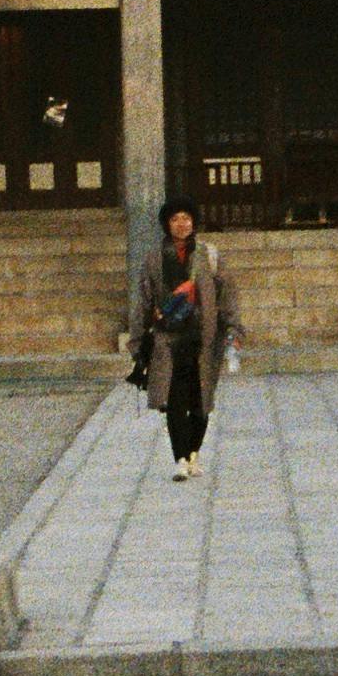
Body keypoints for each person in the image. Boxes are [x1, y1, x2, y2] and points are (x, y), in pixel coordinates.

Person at [132, 201, 240, 480]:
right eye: (175, 219)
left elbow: (227, 295)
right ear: (167, 224)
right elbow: (143, 300)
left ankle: (193, 453)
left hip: (203, 338)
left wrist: (233, 328)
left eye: (186, 218)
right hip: (168, 338)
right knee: (175, 400)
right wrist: (138, 340)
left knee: (201, 401)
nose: (182, 224)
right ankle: (180, 458)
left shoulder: (209, 255)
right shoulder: (154, 259)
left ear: (194, 222)